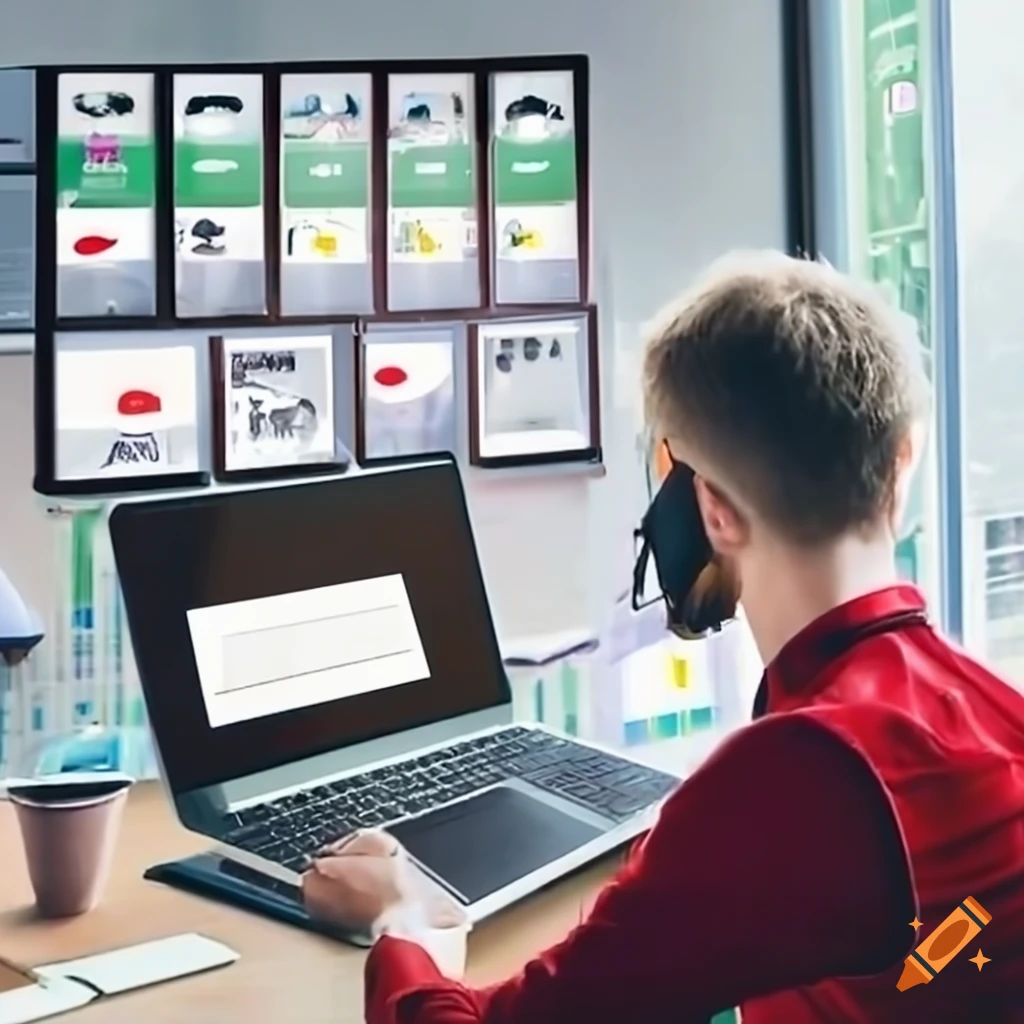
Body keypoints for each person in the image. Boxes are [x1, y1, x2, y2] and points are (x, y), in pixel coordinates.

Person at [302, 252, 1024, 1023]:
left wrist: (405, 922)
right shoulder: (997, 712)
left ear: (710, 510)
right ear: (902, 463)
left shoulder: (794, 777)